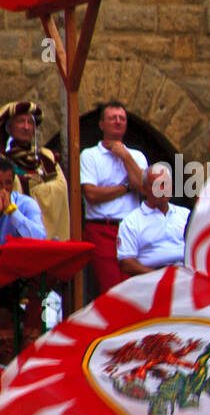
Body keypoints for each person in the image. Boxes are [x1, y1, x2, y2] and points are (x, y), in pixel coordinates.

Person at [80, 101, 146, 295]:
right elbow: (91, 194)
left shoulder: (136, 156)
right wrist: (125, 187)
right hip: (102, 227)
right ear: (102, 124)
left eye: (122, 118)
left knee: (135, 287)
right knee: (112, 288)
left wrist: (125, 156)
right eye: (112, 118)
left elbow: (143, 187)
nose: (118, 121)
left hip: (132, 229)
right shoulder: (90, 155)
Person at [2, 100, 68, 241]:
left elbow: (61, 189)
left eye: (30, 122)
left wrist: (33, 190)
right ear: (9, 127)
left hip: (43, 229)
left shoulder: (47, 157)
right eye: (21, 121)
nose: (26, 127)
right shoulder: (2, 158)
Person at [116, 164, 190, 276]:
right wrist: (157, 276)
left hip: (185, 275)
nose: (162, 189)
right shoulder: (131, 222)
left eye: (165, 184)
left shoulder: (185, 215)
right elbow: (126, 263)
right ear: (144, 189)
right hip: (150, 279)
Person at [0, 156, 47, 242]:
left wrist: (12, 212)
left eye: (8, 183)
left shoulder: (26, 204)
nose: (3, 189)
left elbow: (40, 238)